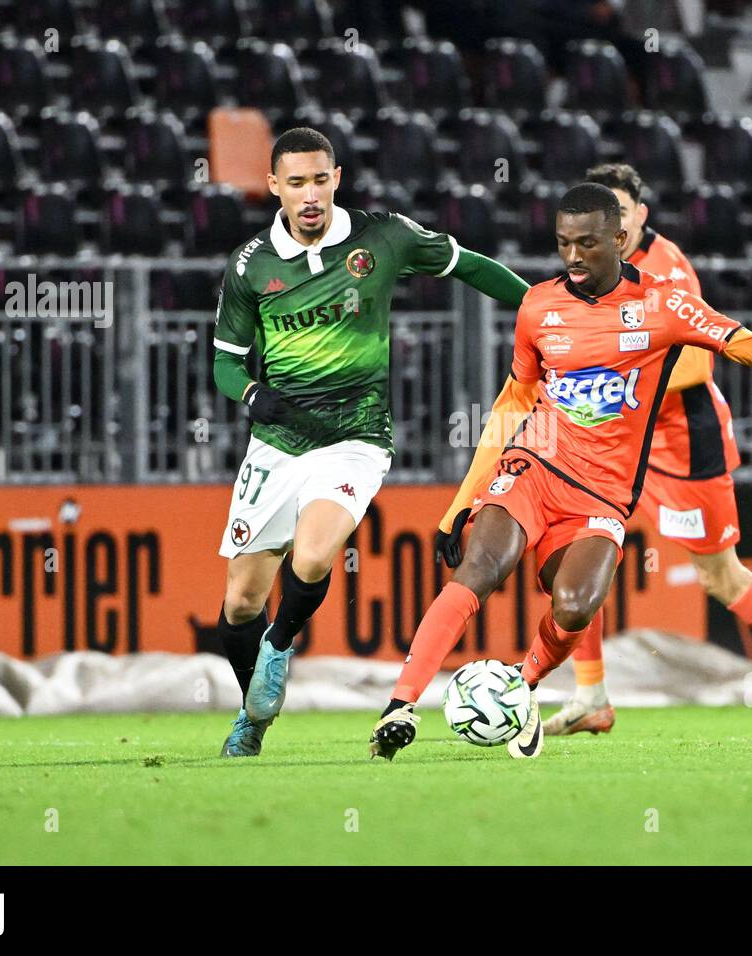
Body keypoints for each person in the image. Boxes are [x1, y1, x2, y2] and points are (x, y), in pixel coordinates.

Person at [369, 182, 752, 761]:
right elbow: (511, 405)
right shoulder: (539, 306)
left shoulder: (663, 304)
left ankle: (521, 690)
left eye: (588, 244)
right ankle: (401, 705)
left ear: (621, 239)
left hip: (605, 492)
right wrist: (459, 505)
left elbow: (751, 345)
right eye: (563, 244)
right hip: (536, 464)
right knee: (481, 567)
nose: (573, 257)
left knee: (577, 603)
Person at [211, 128, 528, 757]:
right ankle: (255, 714)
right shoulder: (250, 264)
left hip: (355, 437)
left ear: (337, 178)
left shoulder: (383, 237)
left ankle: (281, 644)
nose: (309, 194)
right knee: (241, 600)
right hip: (275, 443)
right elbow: (225, 362)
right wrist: (250, 395)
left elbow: (470, 267)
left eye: (319, 179)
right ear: (273, 186)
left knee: (312, 557)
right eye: (295, 182)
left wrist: (551, 313)